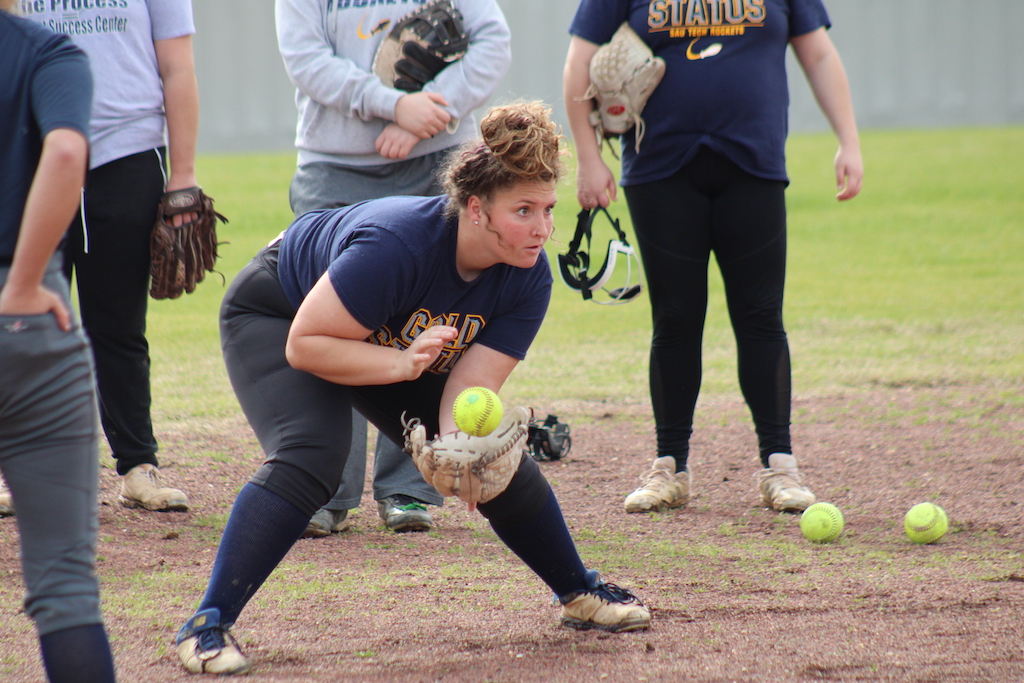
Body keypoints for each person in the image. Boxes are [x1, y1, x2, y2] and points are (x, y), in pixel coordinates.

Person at [174, 102, 650, 676]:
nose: (542, 228)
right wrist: (400, 364)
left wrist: (458, 450)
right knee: (312, 456)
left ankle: (578, 591)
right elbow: (305, 346)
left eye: (548, 209)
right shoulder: (399, 245)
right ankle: (206, 625)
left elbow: (472, 384)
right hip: (279, 312)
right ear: (476, 209)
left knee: (497, 454)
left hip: (382, 339)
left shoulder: (528, 277)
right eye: (523, 210)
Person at [562, 0, 863, 514]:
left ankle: (779, 466)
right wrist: (590, 160)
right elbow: (578, 65)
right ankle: (669, 468)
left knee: (761, 314)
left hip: (754, 160)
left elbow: (817, 54)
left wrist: (848, 141)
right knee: (675, 317)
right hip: (659, 166)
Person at [275, 0, 512, 535]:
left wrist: (429, 115)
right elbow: (306, 60)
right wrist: (391, 107)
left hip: (439, 157)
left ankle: (411, 487)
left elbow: (492, 41)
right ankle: (321, 486)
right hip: (337, 165)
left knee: (435, 320)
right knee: (331, 319)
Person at [6, 0, 204, 514]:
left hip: (127, 156)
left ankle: (138, 466)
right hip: (32, 155)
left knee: (117, 325)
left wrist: (182, 173)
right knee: (18, 322)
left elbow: (177, 65)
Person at [0, 5, 117, 681]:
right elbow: (68, 149)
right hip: (33, 324)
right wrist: (19, 283)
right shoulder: (48, 52)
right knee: (66, 587)